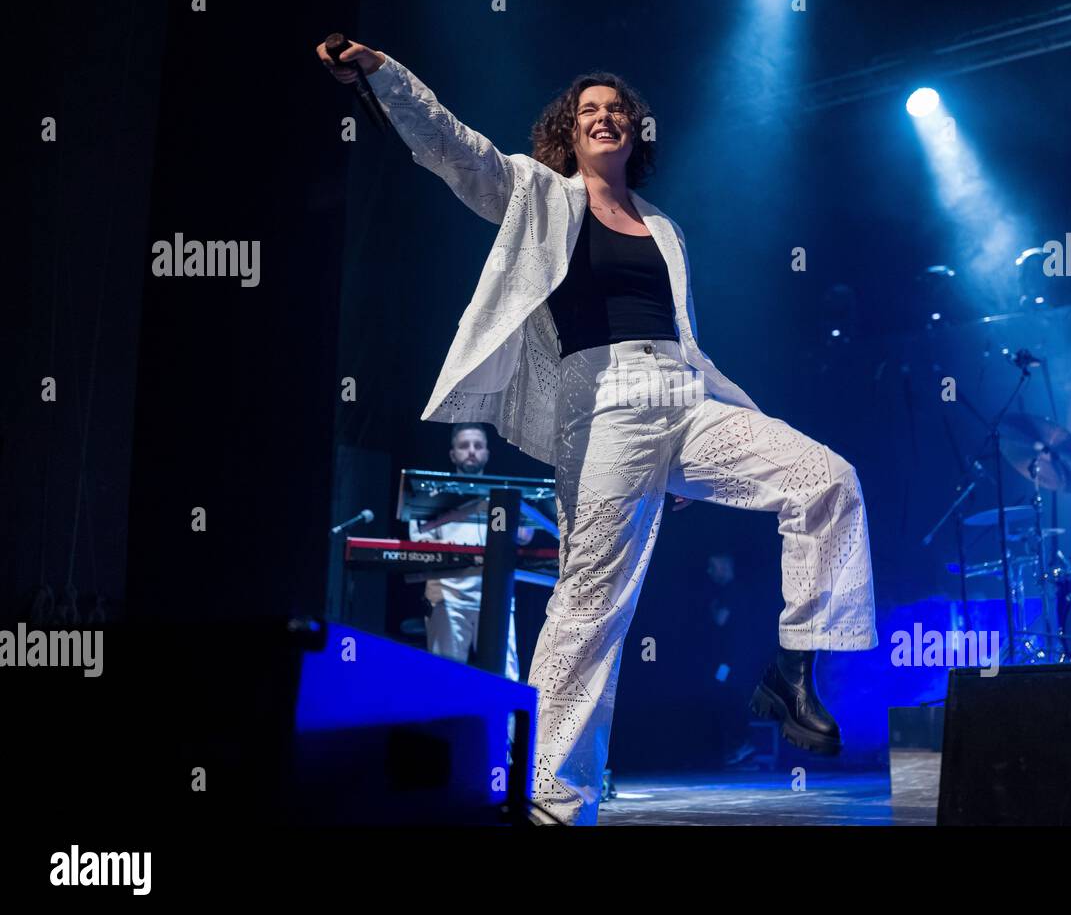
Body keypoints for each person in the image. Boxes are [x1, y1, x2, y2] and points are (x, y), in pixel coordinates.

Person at [318, 40, 878, 825]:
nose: (606, 118)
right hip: (603, 404)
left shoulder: (666, 229)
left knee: (827, 478)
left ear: (636, 131)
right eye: (590, 112)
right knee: (590, 602)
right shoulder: (540, 195)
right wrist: (384, 76)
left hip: (684, 397)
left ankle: (791, 674)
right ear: (569, 134)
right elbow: (453, 146)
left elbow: (690, 346)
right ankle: (548, 786)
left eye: (618, 110)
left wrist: (741, 427)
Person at [407, 423, 531, 681]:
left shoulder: (504, 497)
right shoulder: (433, 494)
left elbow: (525, 535)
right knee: (444, 680)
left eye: (478, 446)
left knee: (506, 678)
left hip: (496, 597)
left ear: (487, 453)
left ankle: (504, 723)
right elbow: (420, 541)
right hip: (448, 599)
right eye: (464, 446)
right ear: (453, 454)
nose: (471, 451)